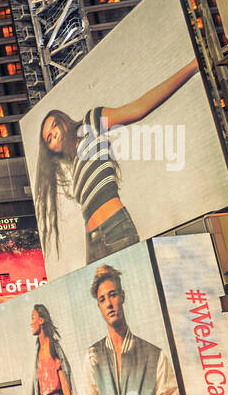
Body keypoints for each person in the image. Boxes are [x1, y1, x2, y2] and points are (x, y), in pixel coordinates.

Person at [34, 59, 199, 263]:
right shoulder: (74, 166)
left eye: (55, 127)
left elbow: (139, 108)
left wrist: (191, 67)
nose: (54, 136)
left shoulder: (91, 123)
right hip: (92, 242)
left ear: (64, 122)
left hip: (115, 228)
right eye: (49, 138)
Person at [84, 264, 188, 395]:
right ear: (98, 306)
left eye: (112, 295)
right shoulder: (93, 355)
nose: (109, 304)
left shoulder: (154, 355)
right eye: (102, 299)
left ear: (122, 296)